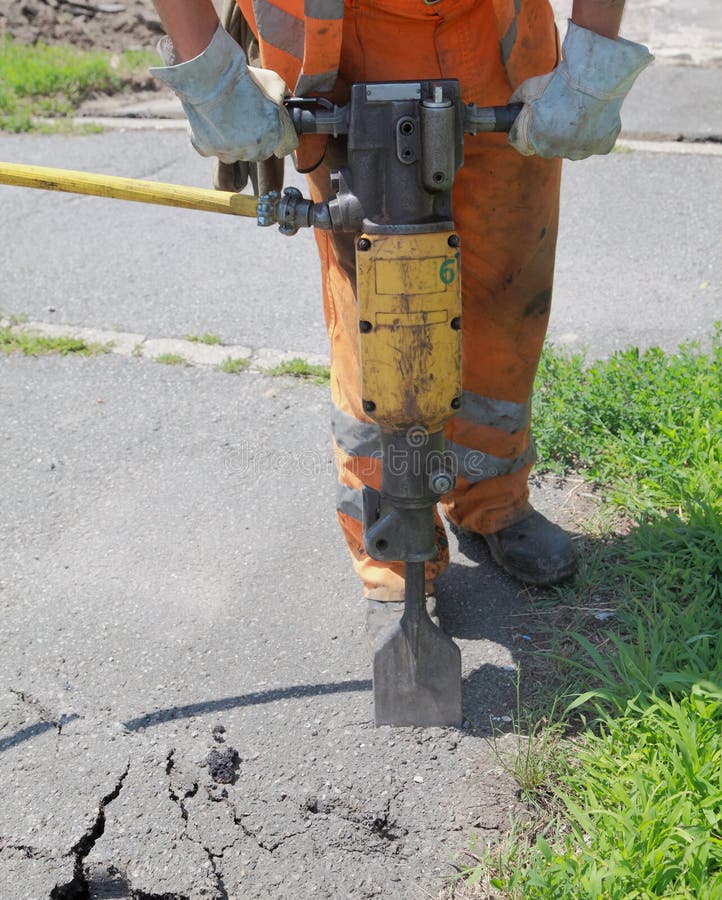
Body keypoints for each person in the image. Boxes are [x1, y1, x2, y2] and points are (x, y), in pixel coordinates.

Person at [148, 0, 652, 635]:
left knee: (506, 296)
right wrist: (211, 71)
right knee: (376, 313)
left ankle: (491, 495)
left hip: (491, 33)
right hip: (332, 48)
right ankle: (390, 544)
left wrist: (589, 64)